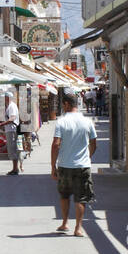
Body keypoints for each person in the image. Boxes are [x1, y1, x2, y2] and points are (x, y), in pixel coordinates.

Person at [51, 91, 97, 236]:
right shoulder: (88, 121)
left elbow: (56, 144)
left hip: (65, 165)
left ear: (66, 104)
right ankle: (78, 228)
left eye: (63, 104)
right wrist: (87, 156)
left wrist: (53, 166)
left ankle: (65, 223)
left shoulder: (61, 121)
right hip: (83, 166)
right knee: (81, 198)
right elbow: (94, 143)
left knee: (64, 195)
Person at [2, 94, 21, 174]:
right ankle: (15, 168)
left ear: (8, 97)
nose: (3, 99)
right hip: (10, 129)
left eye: (5, 97)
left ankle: (15, 169)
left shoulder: (11, 106)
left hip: (12, 129)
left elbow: (12, 118)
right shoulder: (9, 106)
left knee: (12, 148)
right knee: (12, 148)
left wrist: (2, 124)